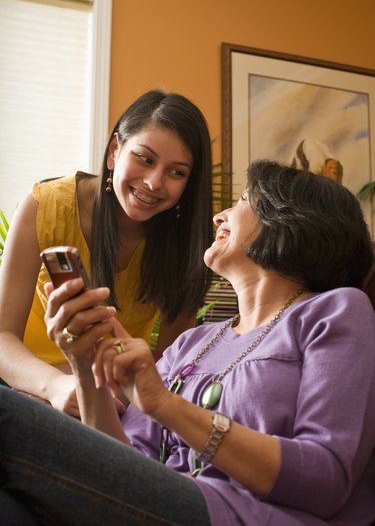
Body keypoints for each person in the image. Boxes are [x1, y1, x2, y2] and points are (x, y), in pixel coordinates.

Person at [1, 159, 375, 526]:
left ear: (289, 219)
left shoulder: (335, 311)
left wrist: (166, 405)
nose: (219, 217)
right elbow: (119, 464)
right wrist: (85, 364)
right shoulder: (191, 343)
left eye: (243, 201)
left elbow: (326, 478)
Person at [0, 89, 213, 417]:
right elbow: (2, 337)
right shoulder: (47, 205)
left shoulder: (187, 246)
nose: (154, 182)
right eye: (145, 158)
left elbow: (170, 364)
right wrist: (57, 386)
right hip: (26, 384)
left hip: (114, 402)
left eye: (176, 172)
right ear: (115, 151)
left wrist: (112, 397)